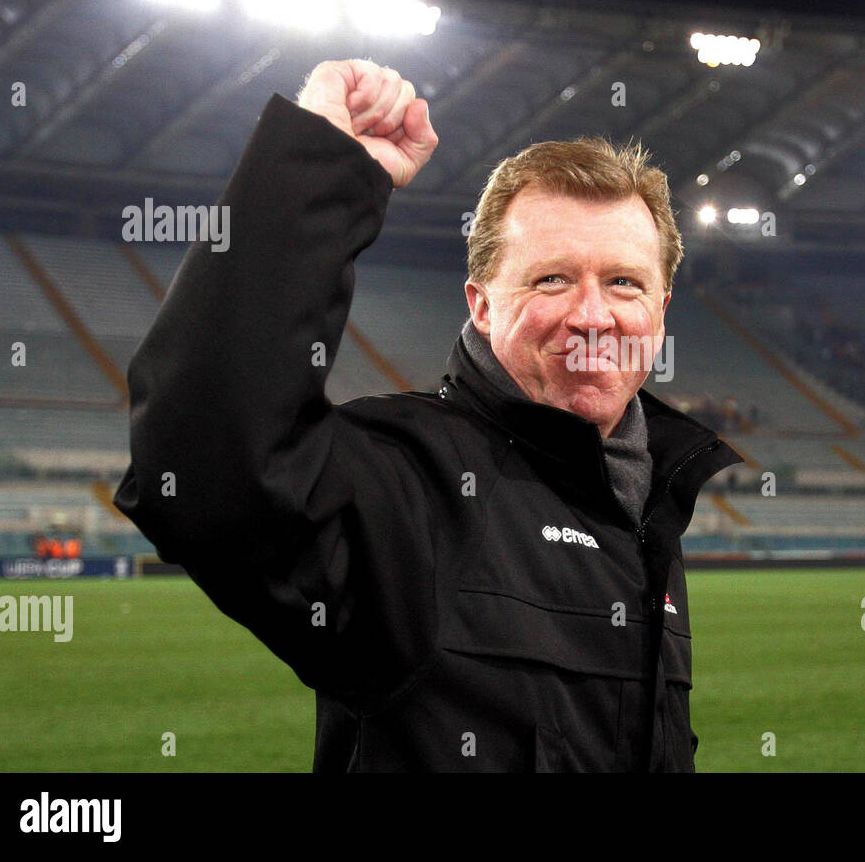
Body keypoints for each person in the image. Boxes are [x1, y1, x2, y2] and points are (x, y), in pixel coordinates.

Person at [114, 59, 741, 772]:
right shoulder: (408, 482)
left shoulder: (648, 502)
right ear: (480, 304)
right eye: (553, 279)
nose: (593, 315)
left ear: (659, 311)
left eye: (624, 283)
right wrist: (320, 165)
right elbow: (206, 463)